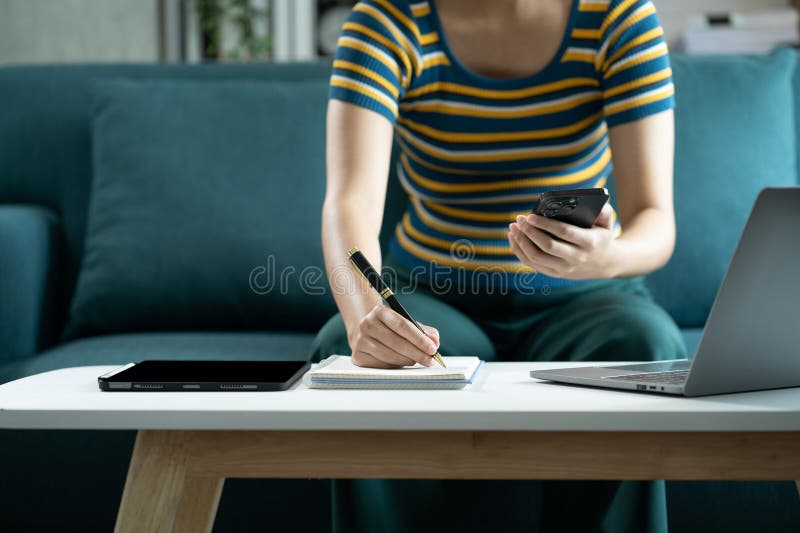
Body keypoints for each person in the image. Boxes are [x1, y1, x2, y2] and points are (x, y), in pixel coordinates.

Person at [312, 0, 686, 531]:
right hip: (433, 293)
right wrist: (366, 318)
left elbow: (656, 221)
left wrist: (609, 256)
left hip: (586, 300)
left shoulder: (618, 17)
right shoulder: (389, 20)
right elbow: (348, 203)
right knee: (365, 363)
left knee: (644, 347)